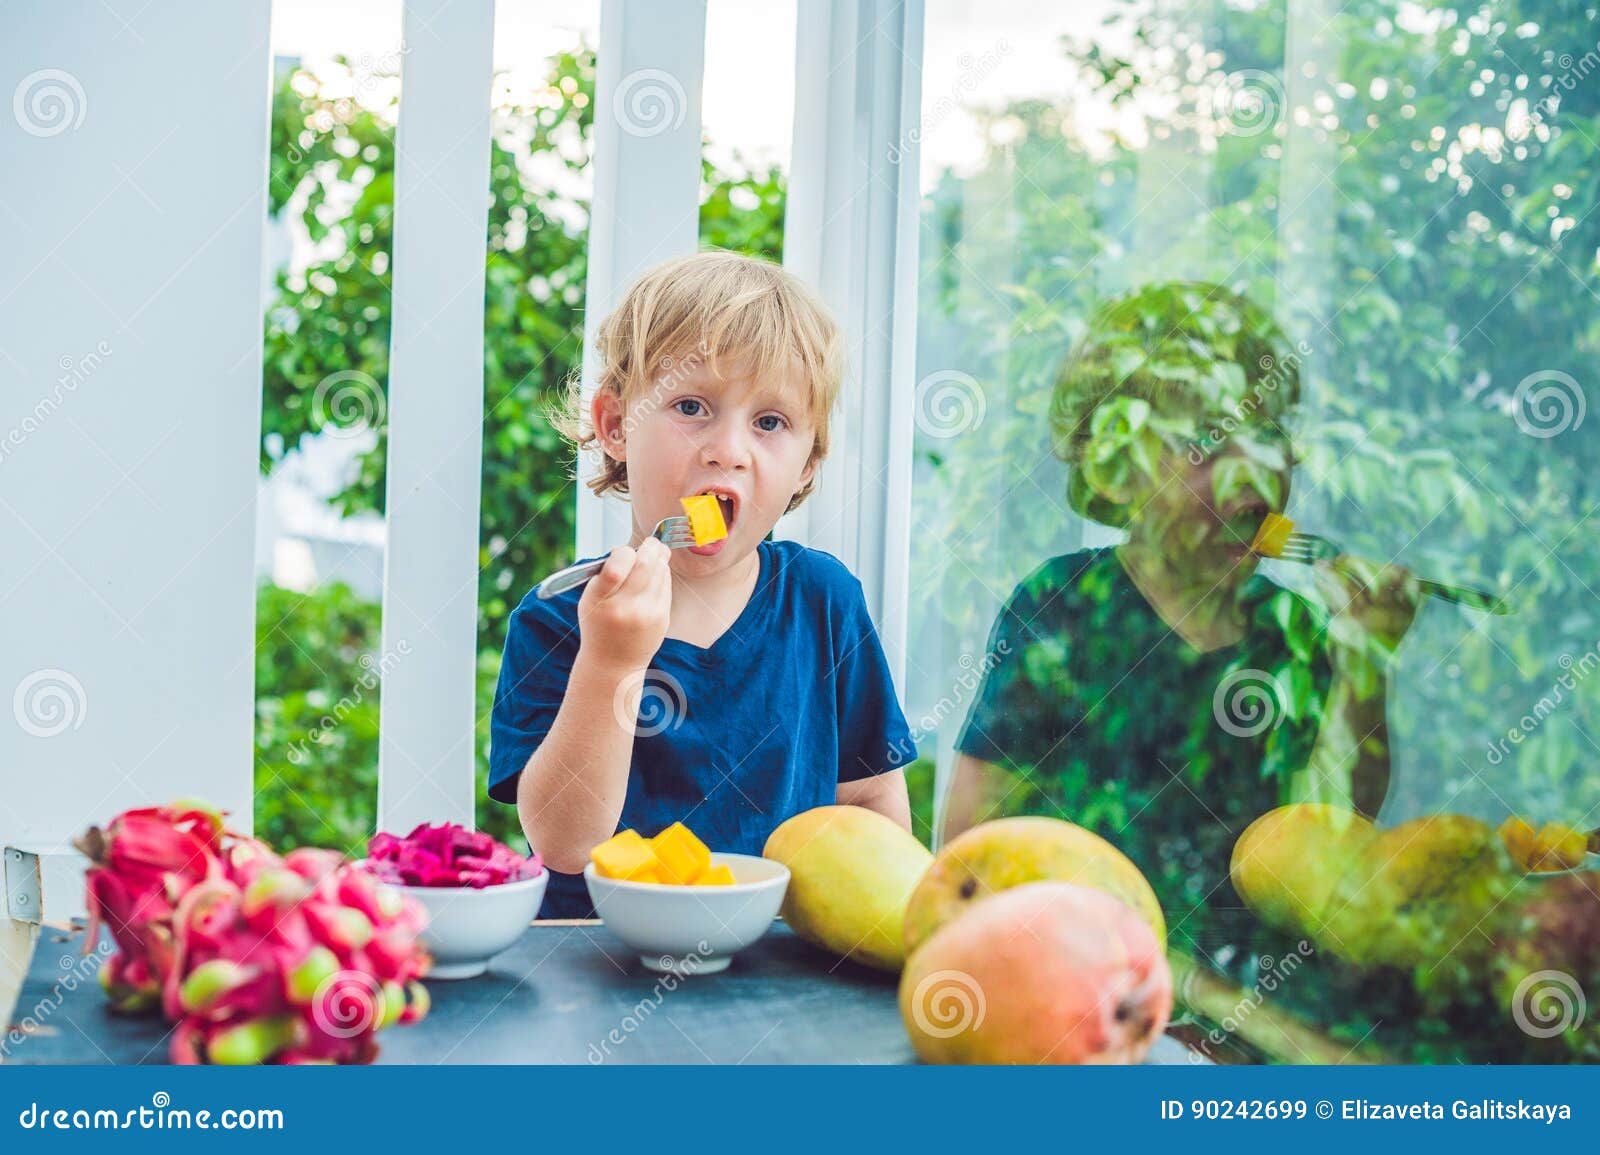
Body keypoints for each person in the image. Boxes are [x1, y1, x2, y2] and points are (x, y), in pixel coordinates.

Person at [941, 281, 1420, 957]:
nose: (1252, 483)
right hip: (1081, 964)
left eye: (1270, 440)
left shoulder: (1298, 628)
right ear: (1123, 475)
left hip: (1252, 990)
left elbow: (1346, 824)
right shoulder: (1063, 602)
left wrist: (1367, 659)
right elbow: (972, 832)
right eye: (1207, 446)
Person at [488, 250, 915, 918]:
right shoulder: (559, 618)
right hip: (595, 967)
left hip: (778, 966)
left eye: (770, 423)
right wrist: (610, 660)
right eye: (691, 405)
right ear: (615, 425)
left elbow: (869, 800)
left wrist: (887, 925)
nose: (729, 450)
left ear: (809, 463)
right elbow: (565, 843)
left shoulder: (825, 602)